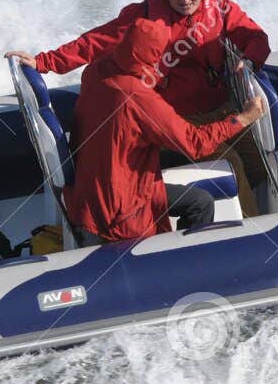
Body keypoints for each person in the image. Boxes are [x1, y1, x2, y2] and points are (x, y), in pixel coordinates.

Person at [7, 0, 273, 214]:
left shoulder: (219, 5)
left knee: (257, 163)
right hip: (179, 119)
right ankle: (253, 233)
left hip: (223, 104)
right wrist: (44, 61)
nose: (187, 0)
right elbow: (95, 42)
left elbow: (256, 37)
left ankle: (271, 216)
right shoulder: (145, 17)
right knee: (233, 163)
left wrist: (249, 61)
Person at [65, 18, 266, 242]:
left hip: (90, 188)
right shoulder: (138, 97)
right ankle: (184, 261)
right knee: (201, 202)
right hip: (119, 206)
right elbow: (194, 143)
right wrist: (242, 119)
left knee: (198, 199)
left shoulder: (96, 71)